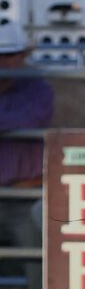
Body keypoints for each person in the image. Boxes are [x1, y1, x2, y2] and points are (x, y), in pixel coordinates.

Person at [0, 26, 55, 252]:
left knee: (37, 262)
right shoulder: (38, 88)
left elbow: (28, 120)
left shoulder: (38, 88)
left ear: (23, 57)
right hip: (21, 192)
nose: (3, 62)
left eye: (10, 55)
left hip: (24, 195)